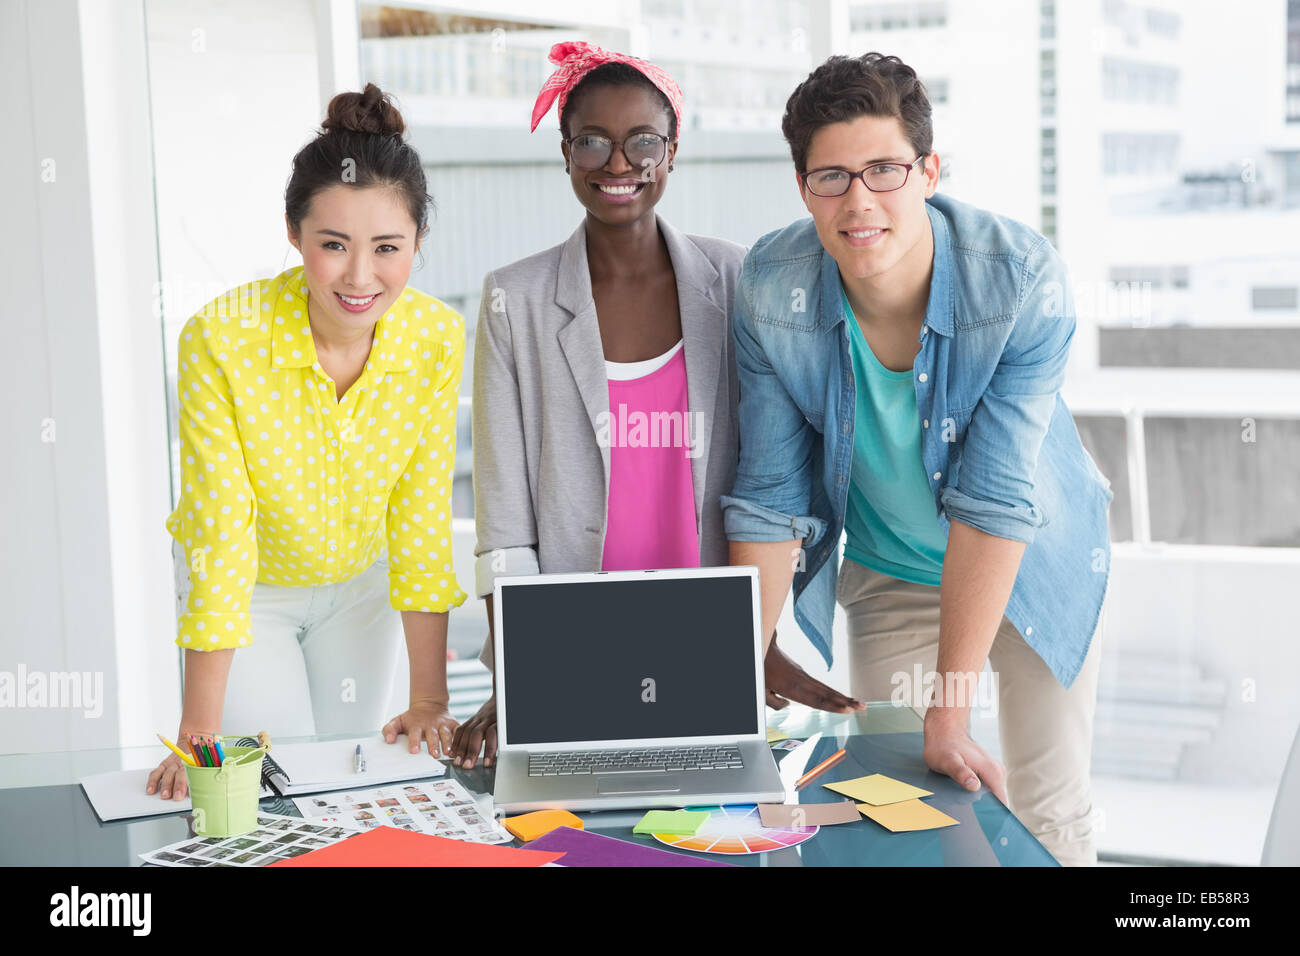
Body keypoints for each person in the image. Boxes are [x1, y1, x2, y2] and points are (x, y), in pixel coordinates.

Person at [722, 53, 1113, 866]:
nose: (858, 201)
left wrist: (950, 708)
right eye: (831, 177)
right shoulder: (769, 285)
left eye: (884, 170)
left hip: (1029, 561)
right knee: (901, 812)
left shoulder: (1019, 280)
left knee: (1047, 809)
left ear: (929, 171)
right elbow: (766, 498)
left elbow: (996, 500)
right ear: (803, 189)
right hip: (890, 571)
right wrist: (733, 683)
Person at [448, 41, 858, 769]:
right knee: (579, 831)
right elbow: (505, 521)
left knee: (709, 828)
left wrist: (757, 639)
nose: (617, 163)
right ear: (565, 153)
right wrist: (519, 672)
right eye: (592, 142)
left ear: (671, 152)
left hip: (707, 639)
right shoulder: (516, 297)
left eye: (642, 141)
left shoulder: (736, 278)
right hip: (569, 641)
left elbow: (779, 468)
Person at [147, 84, 468, 802]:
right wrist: (197, 730)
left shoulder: (436, 338)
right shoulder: (221, 338)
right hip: (252, 593)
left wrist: (429, 699)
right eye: (333, 245)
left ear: (417, 241)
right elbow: (220, 532)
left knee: (349, 780)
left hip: (361, 589)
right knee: (274, 785)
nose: (360, 277)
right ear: (294, 235)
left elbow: (418, 520)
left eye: (388, 248)